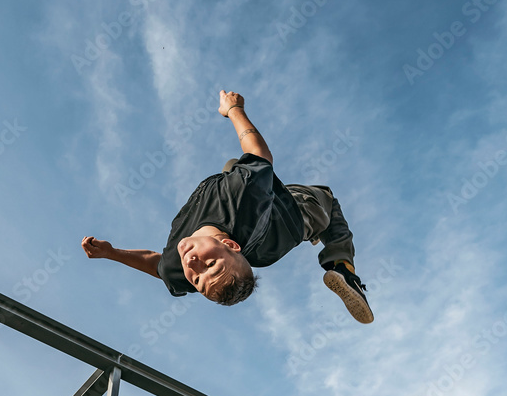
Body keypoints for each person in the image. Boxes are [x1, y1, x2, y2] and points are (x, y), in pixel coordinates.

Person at [82, 90, 373, 323]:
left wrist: (112, 253)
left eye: (197, 280)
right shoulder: (242, 195)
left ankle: (268, 198)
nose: (193, 264)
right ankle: (343, 266)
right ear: (230, 245)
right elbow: (259, 153)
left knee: (235, 167)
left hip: (262, 244)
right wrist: (234, 108)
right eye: (210, 264)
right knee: (325, 198)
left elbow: (156, 265)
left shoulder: (178, 267)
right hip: (295, 218)